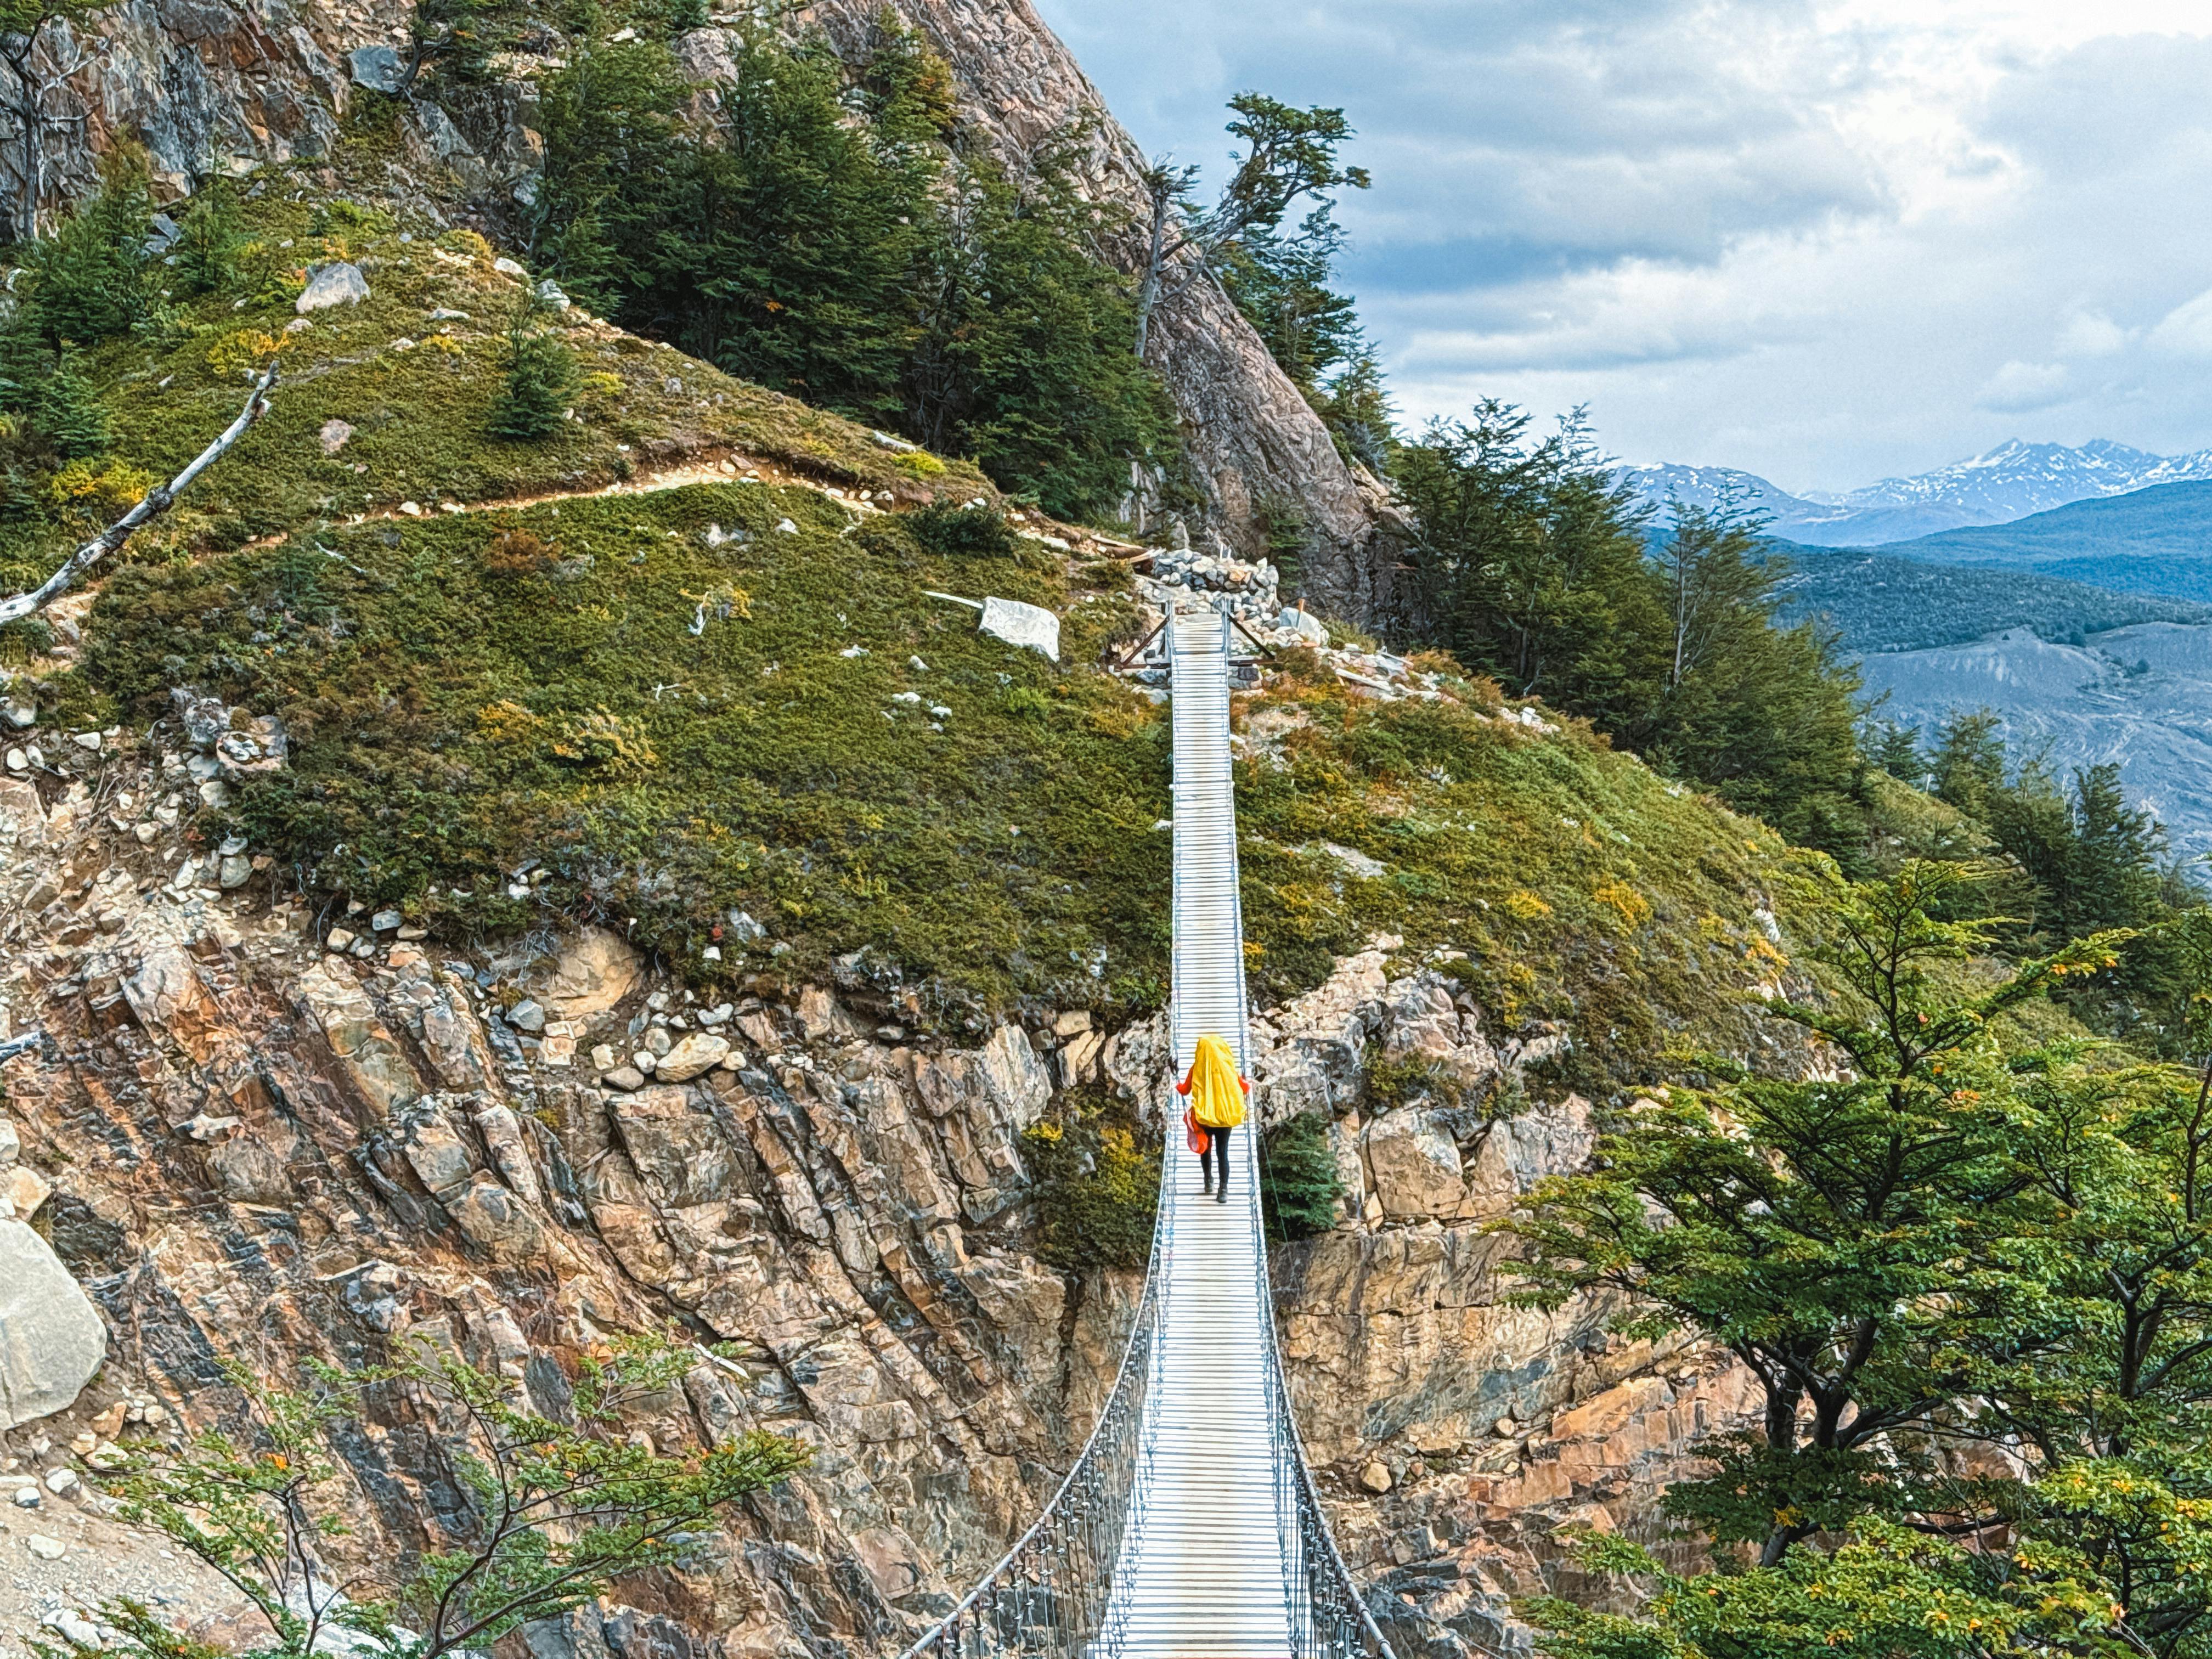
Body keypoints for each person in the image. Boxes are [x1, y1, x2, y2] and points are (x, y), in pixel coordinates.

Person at [1177, 1033, 1249, 1204]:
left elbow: (1185, 1090)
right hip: (1225, 1118)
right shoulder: (1228, 1068)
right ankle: (1223, 1190)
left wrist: (1176, 1084)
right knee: (1223, 1152)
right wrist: (1246, 1082)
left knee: (1206, 1149)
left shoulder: (1197, 1068)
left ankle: (1208, 1181)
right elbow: (1245, 1089)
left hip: (1205, 1118)